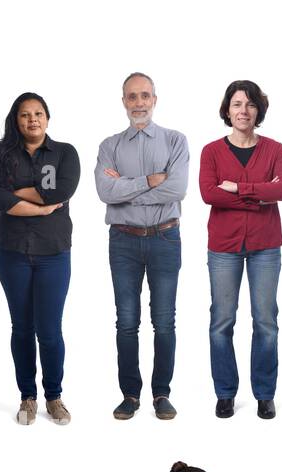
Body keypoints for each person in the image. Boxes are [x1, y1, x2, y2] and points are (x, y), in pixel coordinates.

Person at [95, 72, 190, 421]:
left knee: (164, 321)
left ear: (155, 99)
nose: (139, 103)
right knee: (126, 322)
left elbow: (177, 189)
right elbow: (105, 193)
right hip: (123, 240)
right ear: (123, 101)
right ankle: (130, 395)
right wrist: (151, 180)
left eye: (145, 96)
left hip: (166, 238)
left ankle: (161, 393)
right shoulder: (110, 146)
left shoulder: (175, 140)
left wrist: (128, 188)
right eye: (132, 97)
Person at [0, 92, 80, 426]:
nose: (32, 120)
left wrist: (16, 193)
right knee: (21, 328)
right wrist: (37, 203)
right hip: (12, 253)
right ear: (17, 120)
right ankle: (27, 397)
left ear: (48, 118)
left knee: (50, 331)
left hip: (53, 253)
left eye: (38, 114)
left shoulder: (64, 153)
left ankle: (54, 396)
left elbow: (58, 192)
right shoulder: (2, 155)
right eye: (25, 115)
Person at [199, 80, 282, 419]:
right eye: (237, 104)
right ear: (227, 110)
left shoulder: (275, 149)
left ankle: (264, 394)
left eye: (250, 104)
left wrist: (238, 189)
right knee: (221, 321)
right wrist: (259, 196)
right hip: (223, 247)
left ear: (258, 111)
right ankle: (225, 392)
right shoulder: (211, 151)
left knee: (266, 321)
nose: (243, 110)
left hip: (266, 246)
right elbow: (209, 194)